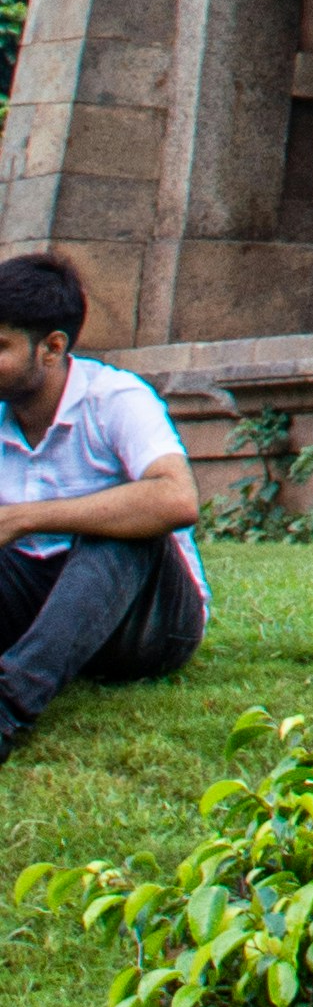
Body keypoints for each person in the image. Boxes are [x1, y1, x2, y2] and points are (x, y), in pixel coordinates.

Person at [0, 253, 211, 755]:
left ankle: (6, 710)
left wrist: (24, 518)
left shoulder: (115, 397)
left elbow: (176, 498)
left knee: (125, 526)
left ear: (51, 348)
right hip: (40, 611)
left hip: (147, 624)